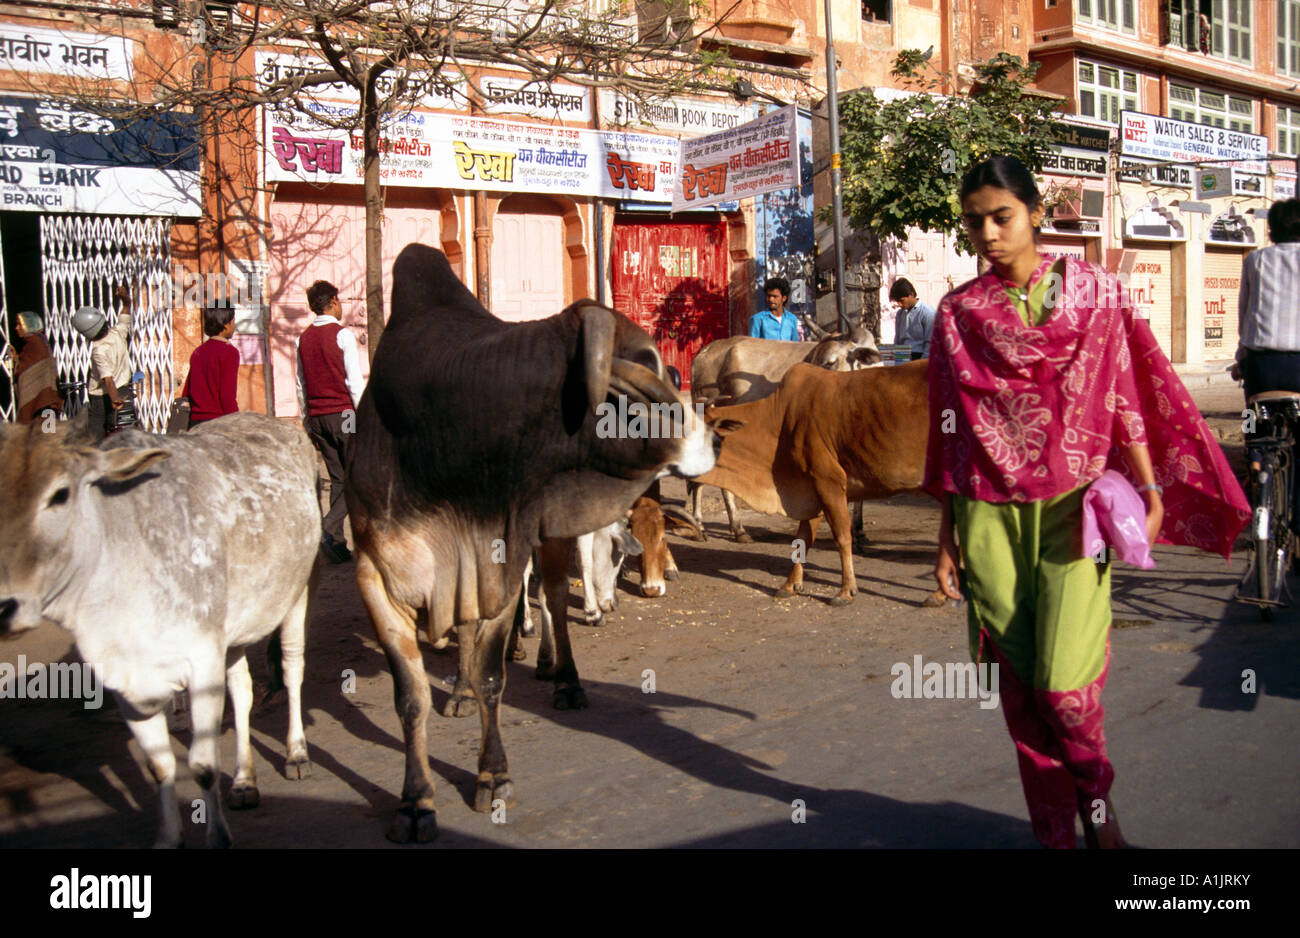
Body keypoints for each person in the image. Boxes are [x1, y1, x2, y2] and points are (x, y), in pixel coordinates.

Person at [926, 156, 1248, 849]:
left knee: (1066, 692)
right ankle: (1055, 834)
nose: (987, 232)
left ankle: (1100, 817)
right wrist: (947, 535)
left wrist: (1150, 486)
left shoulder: (1095, 293)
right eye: (974, 220)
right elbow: (949, 428)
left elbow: (1124, 394)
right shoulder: (958, 314)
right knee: (1023, 692)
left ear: (1037, 213)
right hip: (988, 512)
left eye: (1001, 216)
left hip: (1075, 510)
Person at [296, 280, 365, 564]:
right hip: (345, 415)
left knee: (338, 476)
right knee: (356, 479)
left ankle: (335, 542)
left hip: (317, 417)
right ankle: (327, 527)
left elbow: (301, 383)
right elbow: (354, 382)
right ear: (334, 301)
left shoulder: (303, 338)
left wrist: (306, 418)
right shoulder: (343, 335)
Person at [1233, 198, 1300, 400]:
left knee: (1252, 418)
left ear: (1272, 229)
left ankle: (1250, 429)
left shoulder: (1255, 259)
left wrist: (1240, 358)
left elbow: (1244, 314)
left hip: (1261, 366)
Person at [72, 287, 133, 443]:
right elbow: (126, 311)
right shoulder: (118, 332)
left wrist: (115, 399)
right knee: (122, 428)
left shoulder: (99, 350)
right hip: (122, 387)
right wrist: (125, 299)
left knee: (96, 434)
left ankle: (95, 459)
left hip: (103, 395)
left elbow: (107, 378)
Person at [181, 305, 239, 425]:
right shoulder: (229, 352)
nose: (234, 325)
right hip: (217, 423)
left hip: (195, 422)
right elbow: (227, 395)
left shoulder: (198, 352)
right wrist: (237, 421)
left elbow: (187, 391)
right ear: (226, 324)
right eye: (233, 321)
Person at [10, 310, 62, 424]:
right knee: (47, 432)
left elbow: (27, 371)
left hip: (43, 400)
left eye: (20, 324)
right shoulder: (39, 341)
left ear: (28, 325)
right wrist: (17, 359)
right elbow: (31, 365)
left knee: (45, 434)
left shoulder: (34, 343)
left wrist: (16, 364)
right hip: (47, 398)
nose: (16, 328)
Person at [889, 278, 937, 359]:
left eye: (902, 300)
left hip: (919, 355)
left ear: (911, 295)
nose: (899, 304)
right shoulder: (900, 314)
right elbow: (897, 340)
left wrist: (921, 365)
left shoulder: (927, 313)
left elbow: (930, 343)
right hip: (902, 354)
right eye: (897, 302)